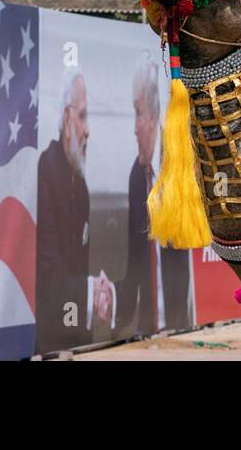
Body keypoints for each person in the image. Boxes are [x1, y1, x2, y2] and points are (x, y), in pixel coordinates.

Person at [34, 67, 114, 353]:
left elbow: (80, 268)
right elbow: (49, 276)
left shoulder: (79, 184)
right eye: (82, 116)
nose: (88, 130)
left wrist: (97, 292)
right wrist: (93, 291)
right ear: (67, 119)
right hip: (49, 338)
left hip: (76, 334)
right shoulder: (47, 170)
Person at [115, 56, 193, 336]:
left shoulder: (176, 165)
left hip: (179, 323)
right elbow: (134, 255)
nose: (135, 128)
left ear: (153, 116)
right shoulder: (136, 176)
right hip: (148, 326)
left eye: (138, 114)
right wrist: (121, 316)